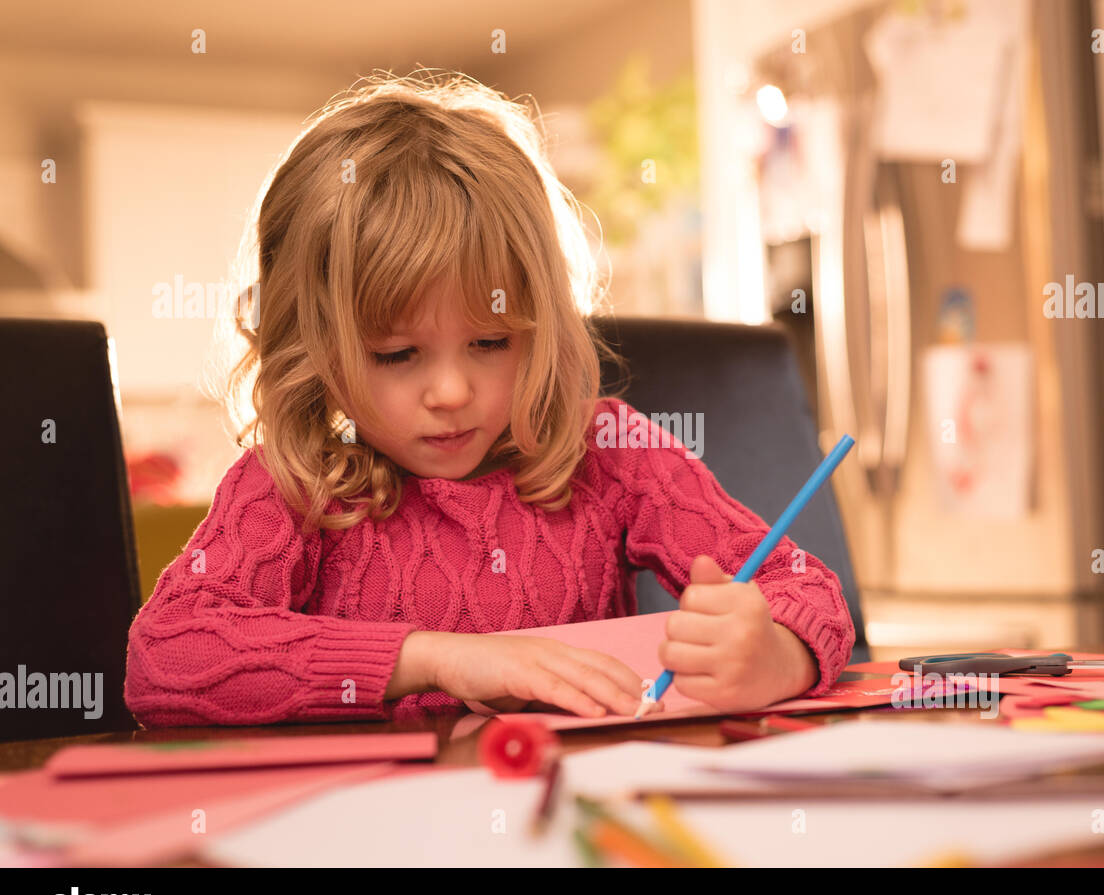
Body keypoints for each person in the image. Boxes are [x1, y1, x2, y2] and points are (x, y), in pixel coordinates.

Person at [124, 71, 854, 728]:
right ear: (313, 349)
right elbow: (167, 653)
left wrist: (778, 653)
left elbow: (806, 587)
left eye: (492, 341)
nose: (450, 392)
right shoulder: (294, 484)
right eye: (397, 354)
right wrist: (440, 658)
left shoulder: (607, 453)